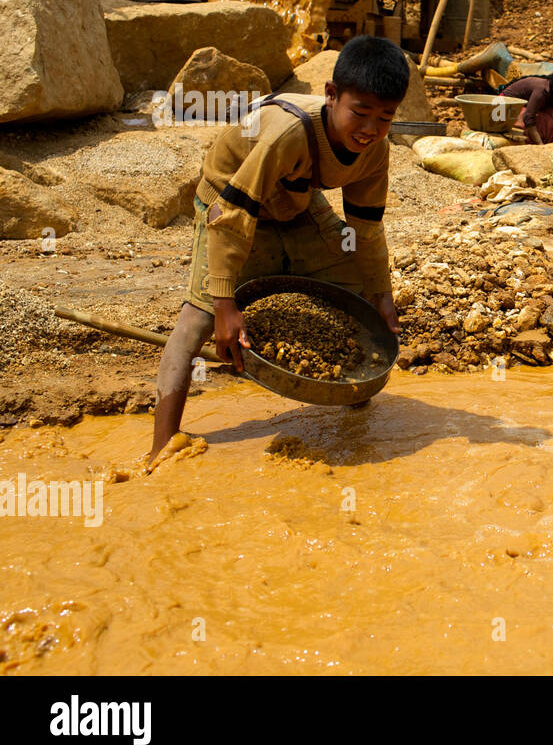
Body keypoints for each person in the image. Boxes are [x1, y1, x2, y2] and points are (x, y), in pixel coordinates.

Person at [150, 36, 408, 462]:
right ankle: (161, 449)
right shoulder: (285, 134)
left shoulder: (374, 149)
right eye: (359, 113)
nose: (370, 129)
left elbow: (367, 229)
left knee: (356, 293)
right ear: (330, 95)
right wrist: (224, 305)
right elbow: (233, 218)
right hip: (229, 198)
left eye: (385, 117)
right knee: (198, 320)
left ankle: (356, 412)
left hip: (297, 197)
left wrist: (381, 295)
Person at [496, 61, 553, 144]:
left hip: (522, 107)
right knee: (544, 121)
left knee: (552, 115)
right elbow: (528, 118)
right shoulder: (542, 90)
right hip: (503, 106)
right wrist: (540, 146)